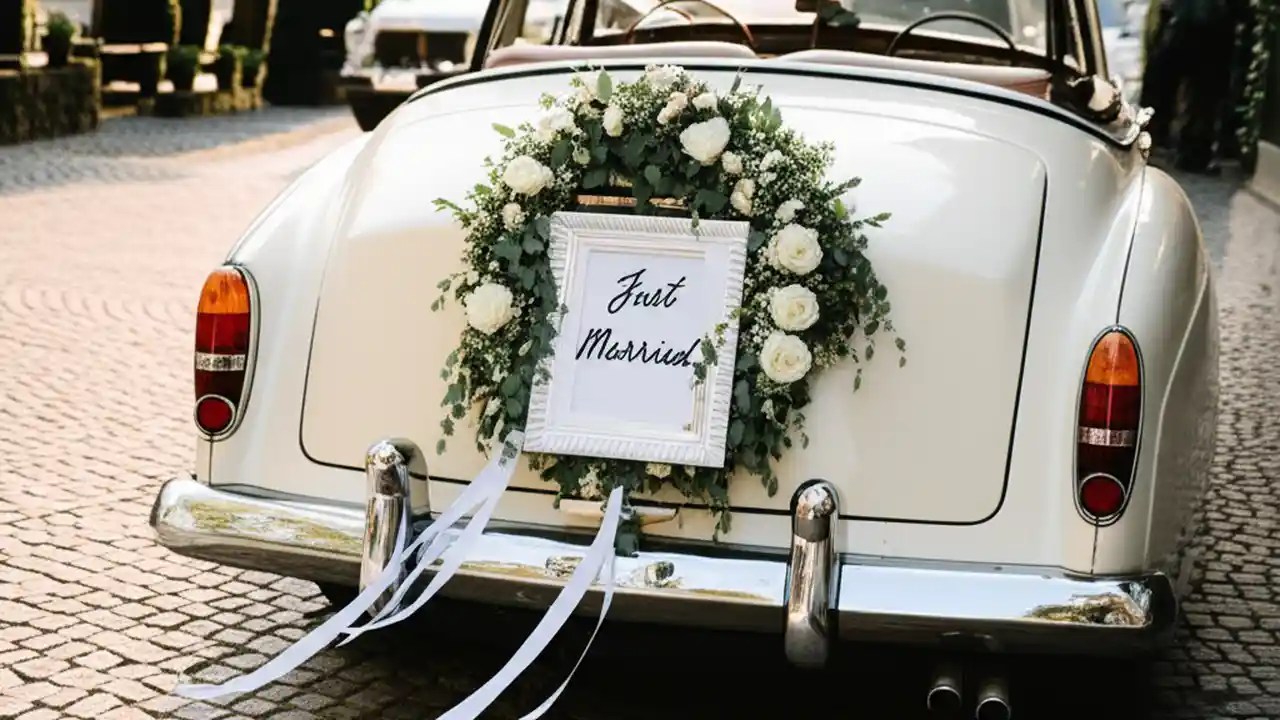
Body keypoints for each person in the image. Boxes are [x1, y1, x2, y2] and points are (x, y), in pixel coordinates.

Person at [1139, 0, 1239, 173]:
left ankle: (1158, 143)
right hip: (1210, 27)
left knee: (1165, 89)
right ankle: (1193, 151)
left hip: (1183, 23)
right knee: (1204, 96)